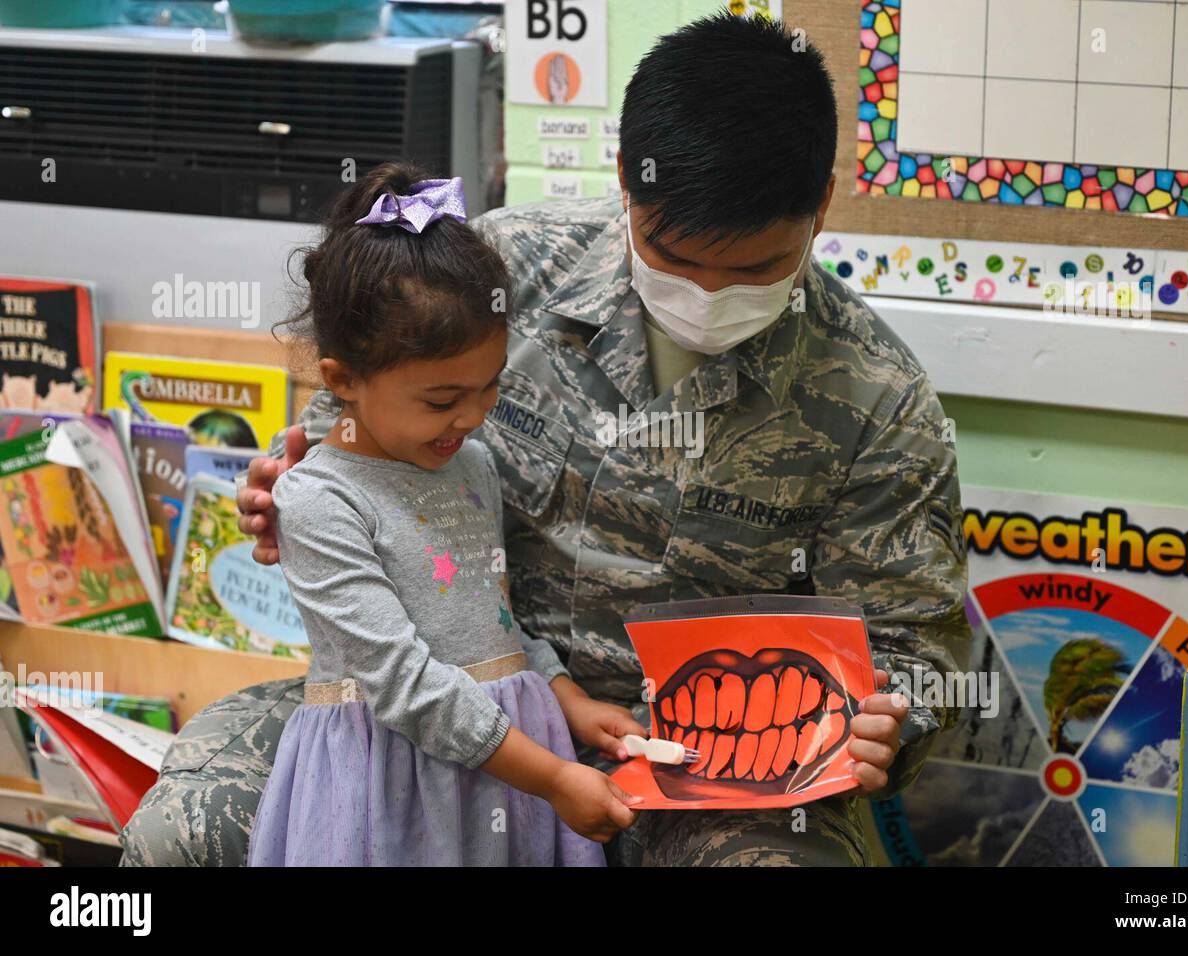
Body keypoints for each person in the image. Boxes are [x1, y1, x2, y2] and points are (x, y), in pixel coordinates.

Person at [121, 12, 970, 868]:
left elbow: (915, 649)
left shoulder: (877, 399)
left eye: (752, 270)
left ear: (821, 204)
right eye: (672, 256)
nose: (708, 295)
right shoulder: (493, 274)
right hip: (429, 697)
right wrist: (284, 485)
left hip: (704, 763)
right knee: (174, 839)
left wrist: (890, 722)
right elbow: (338, 435)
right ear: (626, 182)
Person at [245, 163, 635, 865]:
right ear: (342, 380)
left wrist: (565, 696)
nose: (471, 416)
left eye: (489, 388)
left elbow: (497, 618)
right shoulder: (318, 499)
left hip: (508, 767)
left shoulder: (473, 466)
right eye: (441, 399)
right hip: (397, 784)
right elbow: (401, 685)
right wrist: (552, 778)